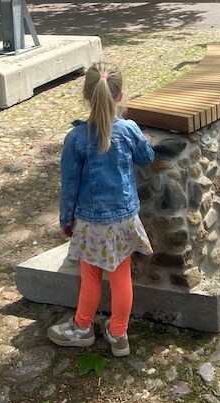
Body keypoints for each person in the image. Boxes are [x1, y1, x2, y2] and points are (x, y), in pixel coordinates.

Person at [47, 61, 155, 358]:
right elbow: (147, 158)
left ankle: (82, 328)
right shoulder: (129, 130)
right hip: (124, 219)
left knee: (91, 277)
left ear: (86, 95)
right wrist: (145, 139)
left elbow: (69, 186)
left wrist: (66, 219)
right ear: (119, 96)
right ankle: (118, 335)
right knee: (121, 278)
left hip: (91, 223)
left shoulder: (76, 138)